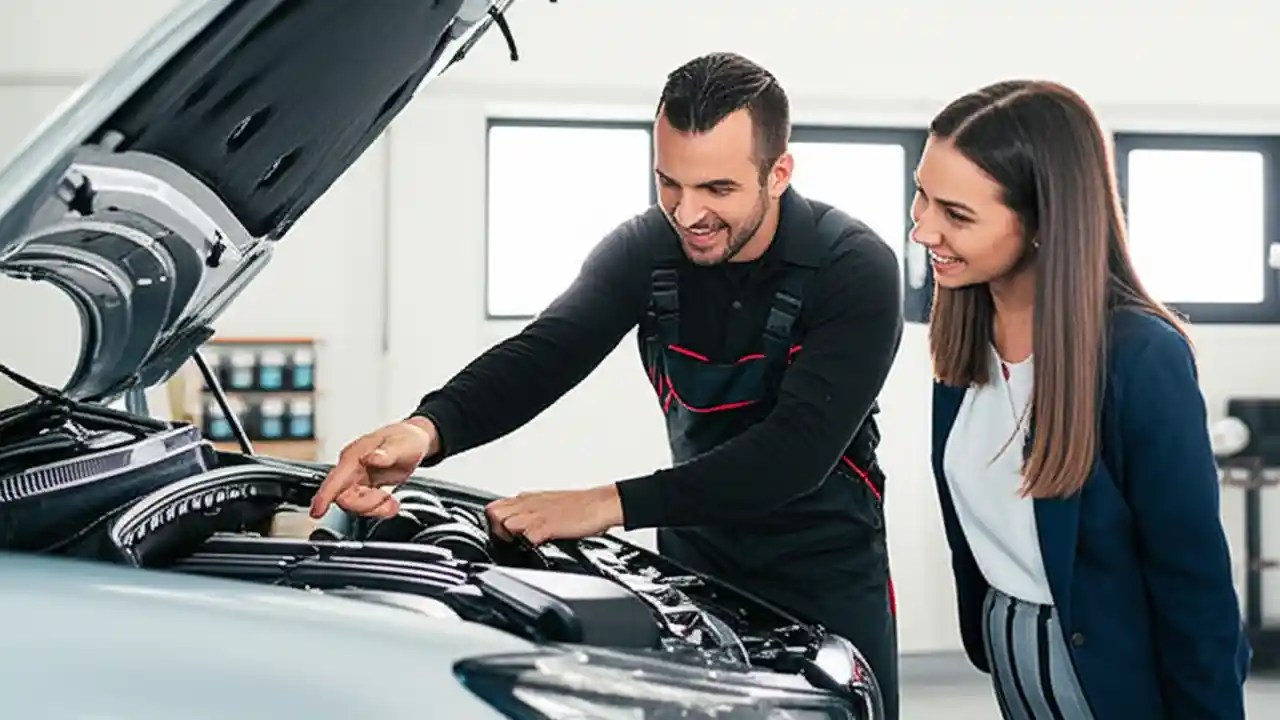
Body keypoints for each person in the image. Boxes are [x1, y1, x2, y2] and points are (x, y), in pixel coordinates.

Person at [310, 51, 904, 716]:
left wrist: (602, 503)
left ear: (779, 173)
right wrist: (427, 430)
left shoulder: (853, 268)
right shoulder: (644, 250)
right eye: (669, 184)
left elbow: (794, 452)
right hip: (695, 561)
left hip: (827, 572)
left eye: (717, 190)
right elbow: (547, 351)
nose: (687, 213)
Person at [912, 79, 1251, 719]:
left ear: (1043, 223)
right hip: (1012, 661)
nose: (924, 230)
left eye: (956, 215)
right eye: (921, 197)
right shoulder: (962, 336)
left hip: (1112, 680)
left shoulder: (1141, 357)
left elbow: (1193, 586)